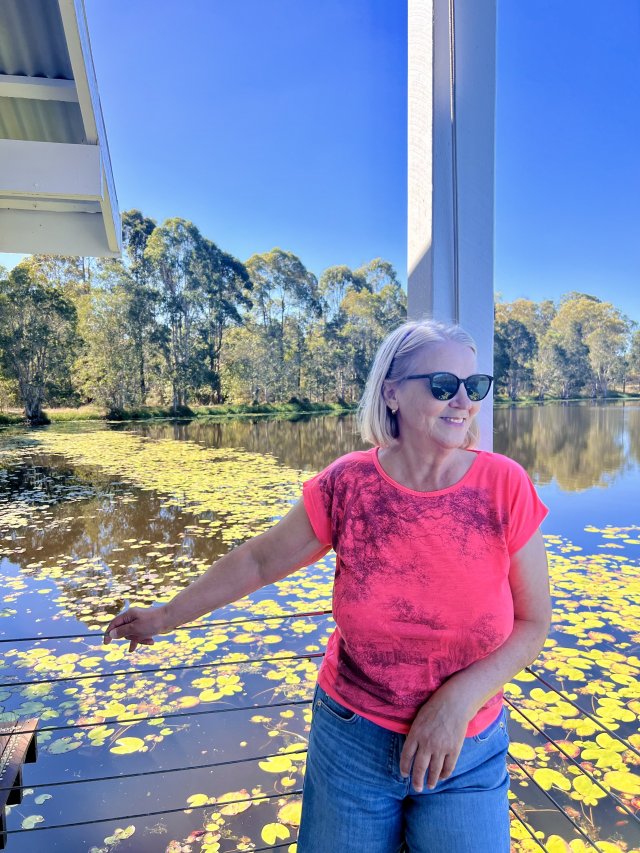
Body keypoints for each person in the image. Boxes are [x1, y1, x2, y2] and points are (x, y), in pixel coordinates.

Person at [104, 319, 551, 853]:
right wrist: (163, 617)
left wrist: (457, 701)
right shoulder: (349, 484)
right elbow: (258, 561)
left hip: (468, 747)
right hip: (352, 743)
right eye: (441, 385)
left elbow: (533, 622)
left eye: (473, 386)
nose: (463, 401)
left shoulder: (505, 485)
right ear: (392, 393)